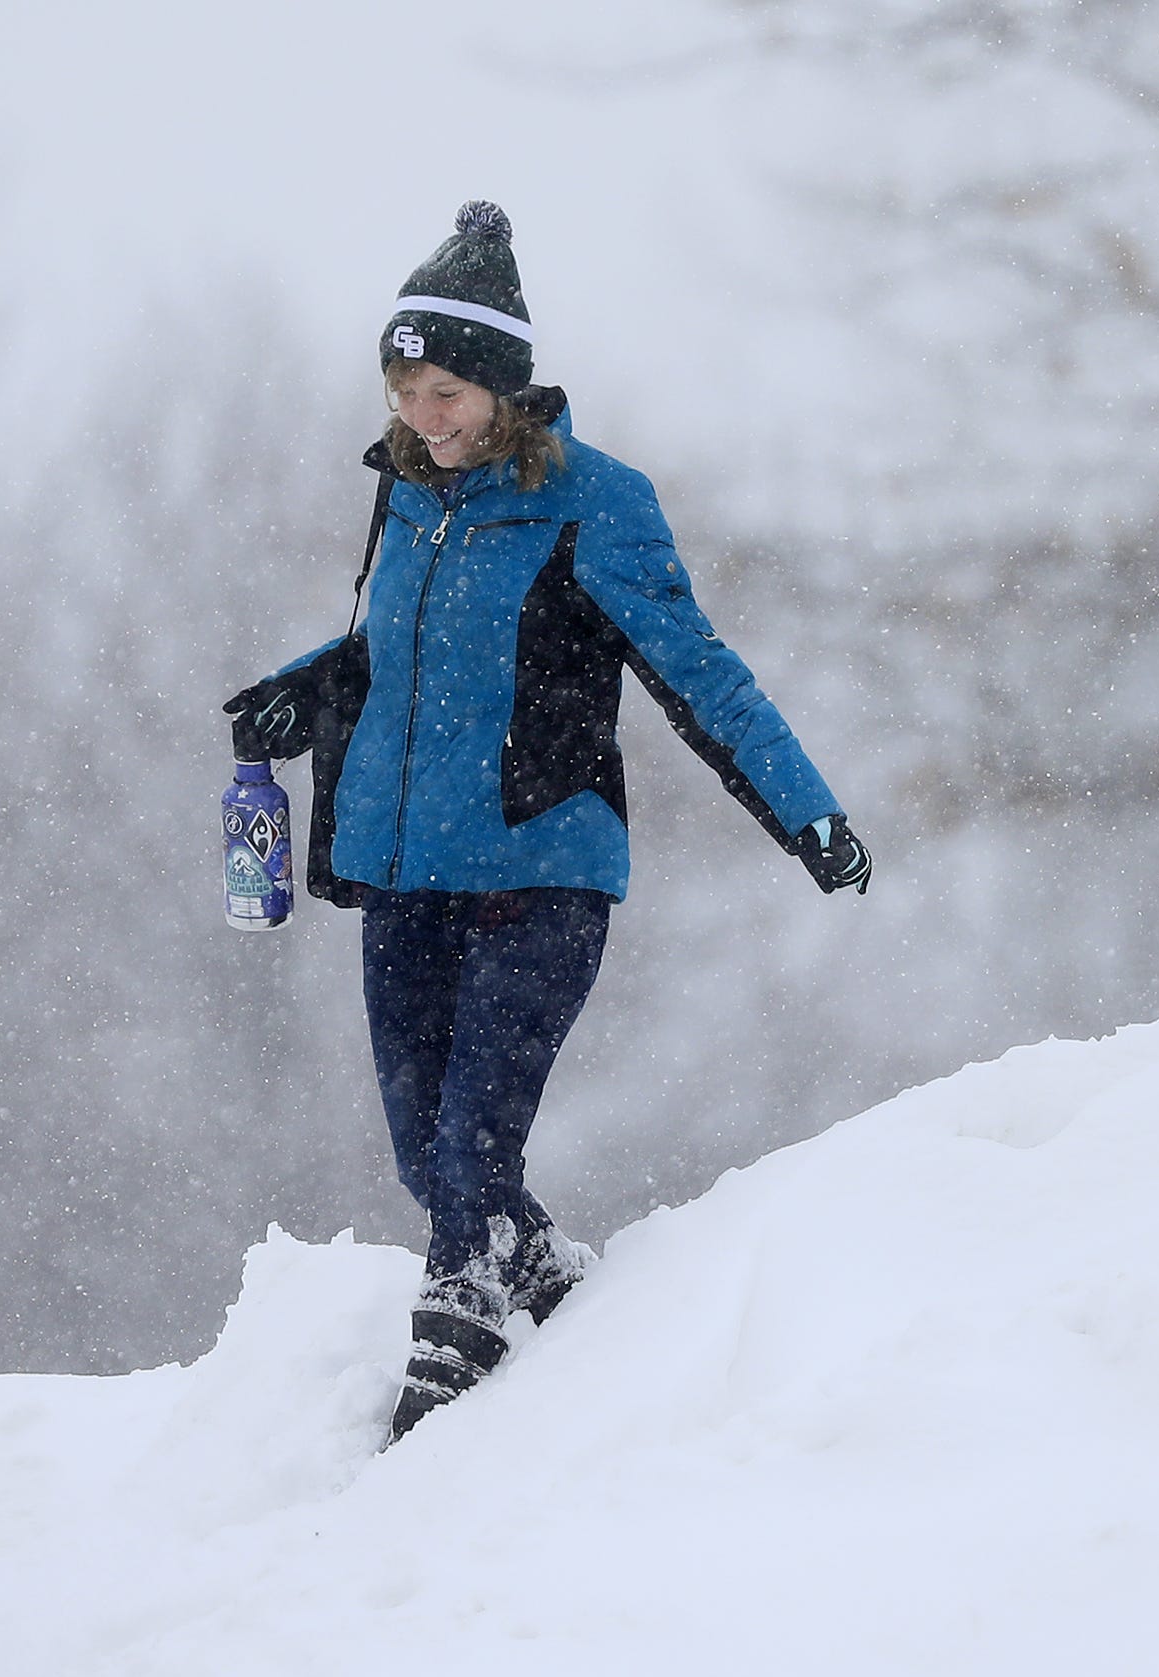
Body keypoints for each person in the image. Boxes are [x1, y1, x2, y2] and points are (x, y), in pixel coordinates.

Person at [232, 203, 872, 1442]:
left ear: (509, 386)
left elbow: (700, 672)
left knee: (470, 1148)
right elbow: (399, 656)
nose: (425, 415)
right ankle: (537, 1275)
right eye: (405, 387)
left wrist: (809, 815)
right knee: (428, 1154)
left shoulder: (597, 504)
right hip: (405, 870)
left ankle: (435, 1410)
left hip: (541, 864)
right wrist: (298, 691)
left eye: (450, 389)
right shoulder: (406, 500)